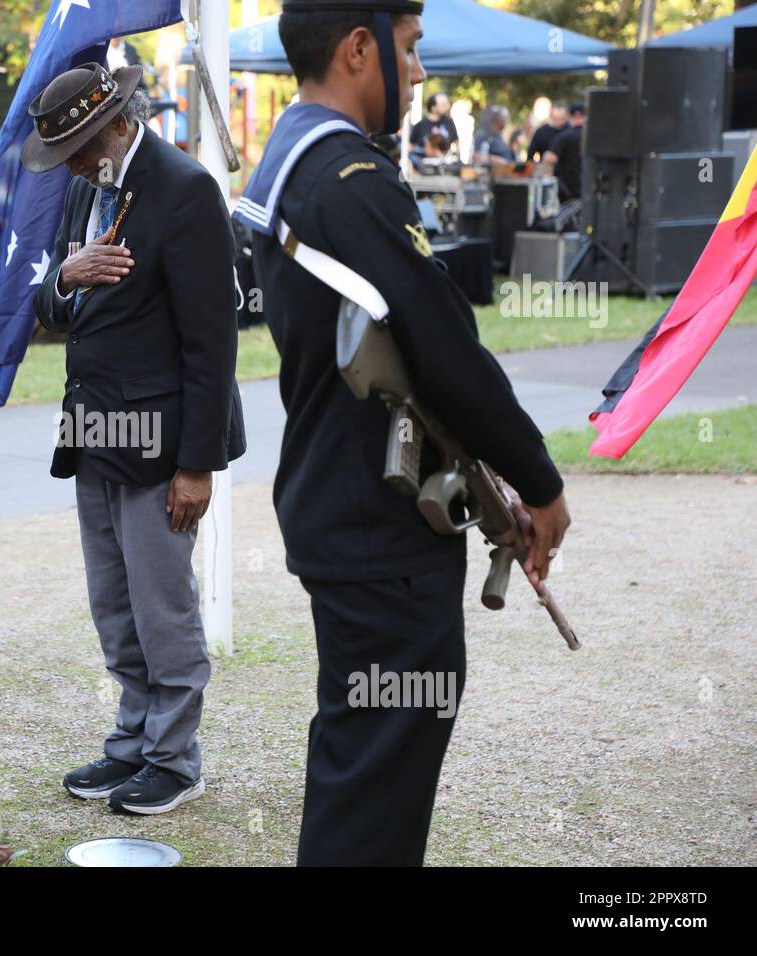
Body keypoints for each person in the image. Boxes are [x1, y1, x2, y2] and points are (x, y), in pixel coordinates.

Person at [233, 0, 571, 865]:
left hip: (337, 504)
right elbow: (448, 354)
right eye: (411, 49)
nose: (419, 72)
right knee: (378, 777)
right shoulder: (352, 180)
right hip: (379, 527)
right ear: (359, 48)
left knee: (361, 760)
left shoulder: (289, 156)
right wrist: (541, 484)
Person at [24, 62, 246, 815]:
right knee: (114, 605)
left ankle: (175, 760)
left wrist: (198, 465)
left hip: (162, 445)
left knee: (162, 607)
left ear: (119, 122)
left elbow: (212, 344)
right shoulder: (88, 188)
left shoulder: (185, 190)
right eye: (68, 154)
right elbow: (54, 307)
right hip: (94, 431)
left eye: (83, 146)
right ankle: (132, 746)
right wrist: (68, 275)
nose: (77, 164)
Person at [544, 102, 585, 202]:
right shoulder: (595, 137)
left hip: (567, 195)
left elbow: (548, 159)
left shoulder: (564, 136)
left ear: (570, 117)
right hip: (589, 192)